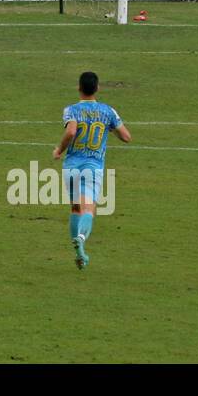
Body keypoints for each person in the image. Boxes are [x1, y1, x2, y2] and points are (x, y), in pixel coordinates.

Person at [54, 71, 131, 271]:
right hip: (93, 167)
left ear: (78, 88)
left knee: (75, 208)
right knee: (89, 209)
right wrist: (110, 128)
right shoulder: (107, 111)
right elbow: (126, 137)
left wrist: (59, 150)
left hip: (71, 166)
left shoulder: (71, 110)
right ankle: (81, 238)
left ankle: (79, 253)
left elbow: (71, 131)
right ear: (97, 88)